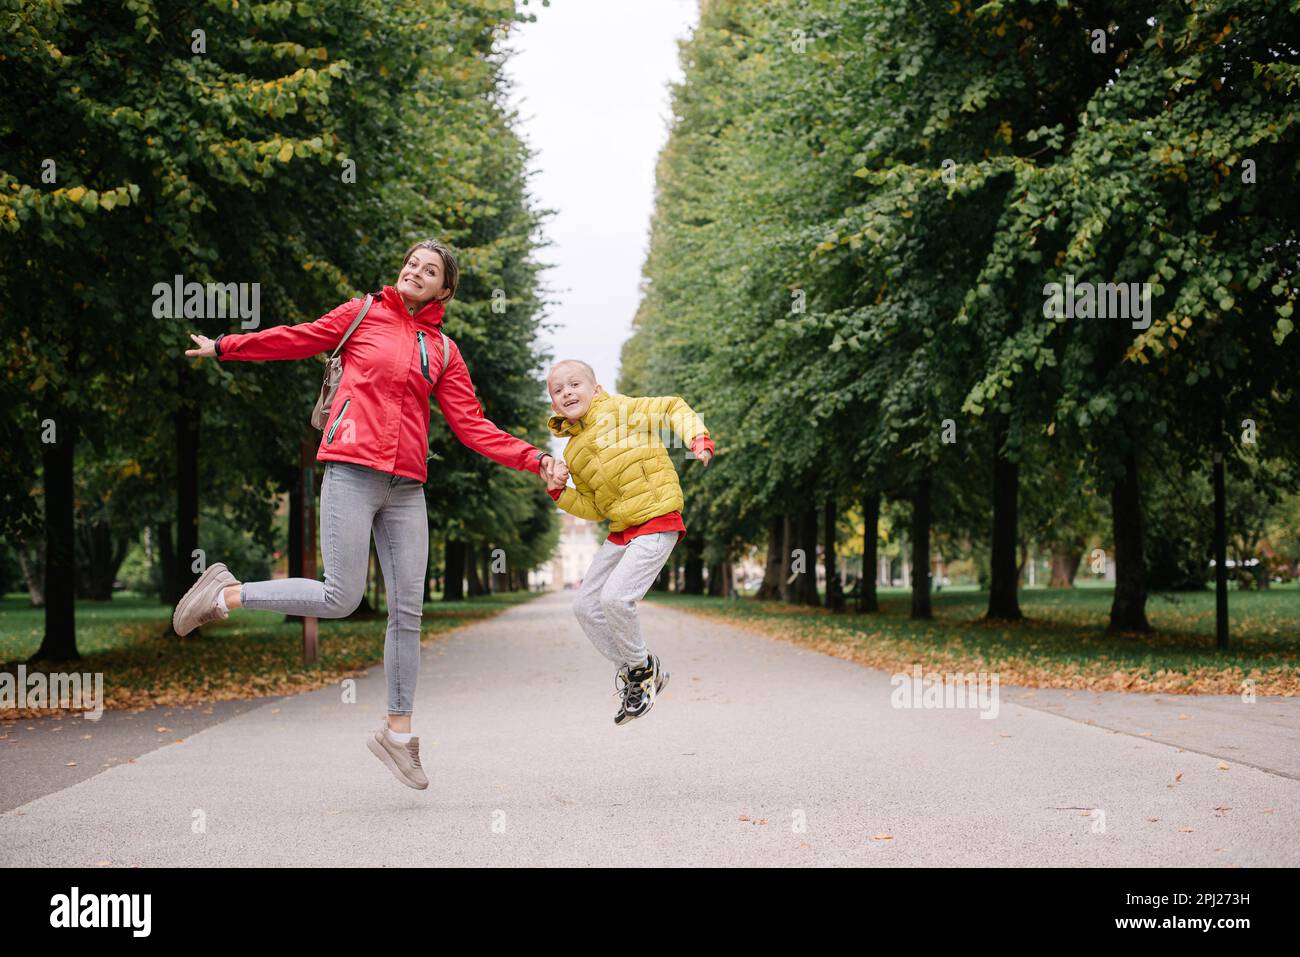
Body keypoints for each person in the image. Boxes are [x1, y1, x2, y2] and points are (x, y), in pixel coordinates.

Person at [172, 240, 562, 789]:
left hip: (406, 488)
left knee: (407, 611)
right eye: (412, 263)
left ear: (444, 290)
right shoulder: (360, 314)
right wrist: (225, 346)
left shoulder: (444, 351)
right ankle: (226, 593)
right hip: (351, 470)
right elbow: (296, 339)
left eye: (429, 271)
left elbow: (474, 427)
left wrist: (536, 457)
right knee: (342, 596)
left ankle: (398, 736)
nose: (415, 272)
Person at [542, 359, 715, 725]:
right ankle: (639, 671)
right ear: (554, 405)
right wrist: (560, 494)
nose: (568, 392)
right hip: (622, 530)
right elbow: (592, 506)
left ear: (596, 389)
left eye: (575, 384)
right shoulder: (572, 453)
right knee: (585, 605)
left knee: (615, 598)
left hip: (657, 517)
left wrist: (696, 438)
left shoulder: (620, 409)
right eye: (559, 391)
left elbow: (671, 407)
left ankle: (640, 669)